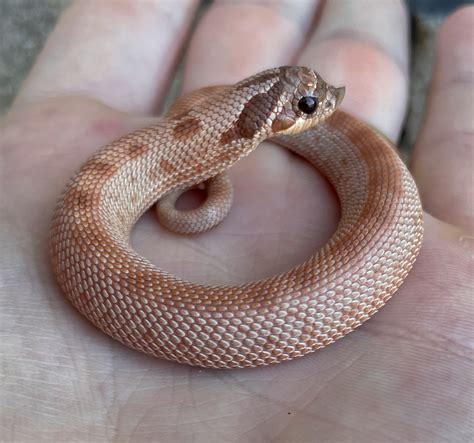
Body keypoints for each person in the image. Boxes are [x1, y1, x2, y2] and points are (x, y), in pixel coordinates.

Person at [1, 1, 472, 440]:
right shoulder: (206, 132)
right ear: (259, 126)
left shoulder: (216, 119)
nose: (328, 105)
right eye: (309, 107)